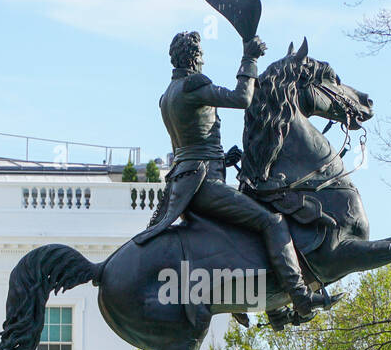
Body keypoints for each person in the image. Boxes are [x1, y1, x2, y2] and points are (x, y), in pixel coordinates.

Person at [134, 30, 330, 320]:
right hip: (204, 186)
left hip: (186, 185)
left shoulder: (167, 95)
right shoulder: (193, 84)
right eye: (202, 54)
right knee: (272, 221)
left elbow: (186, 147)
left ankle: (269, 307)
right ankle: (300, 297)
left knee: (247, 226)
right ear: (196, 57)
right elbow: (242, 98)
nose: (203, 60)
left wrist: (222, 159)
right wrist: (249, 58)